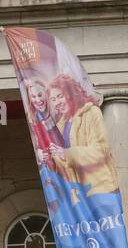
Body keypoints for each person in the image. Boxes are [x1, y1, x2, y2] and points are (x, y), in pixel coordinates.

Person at [46, 74, 119, 203]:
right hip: (77, 197)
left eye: (59, 96)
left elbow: (100, 151)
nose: (57, 102)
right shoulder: (60, 125)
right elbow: (66, 165)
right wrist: (53, 157)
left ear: (71, 93)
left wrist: (66, 153)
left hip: (99, 191)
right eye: (53, 99)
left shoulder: (91, 113)